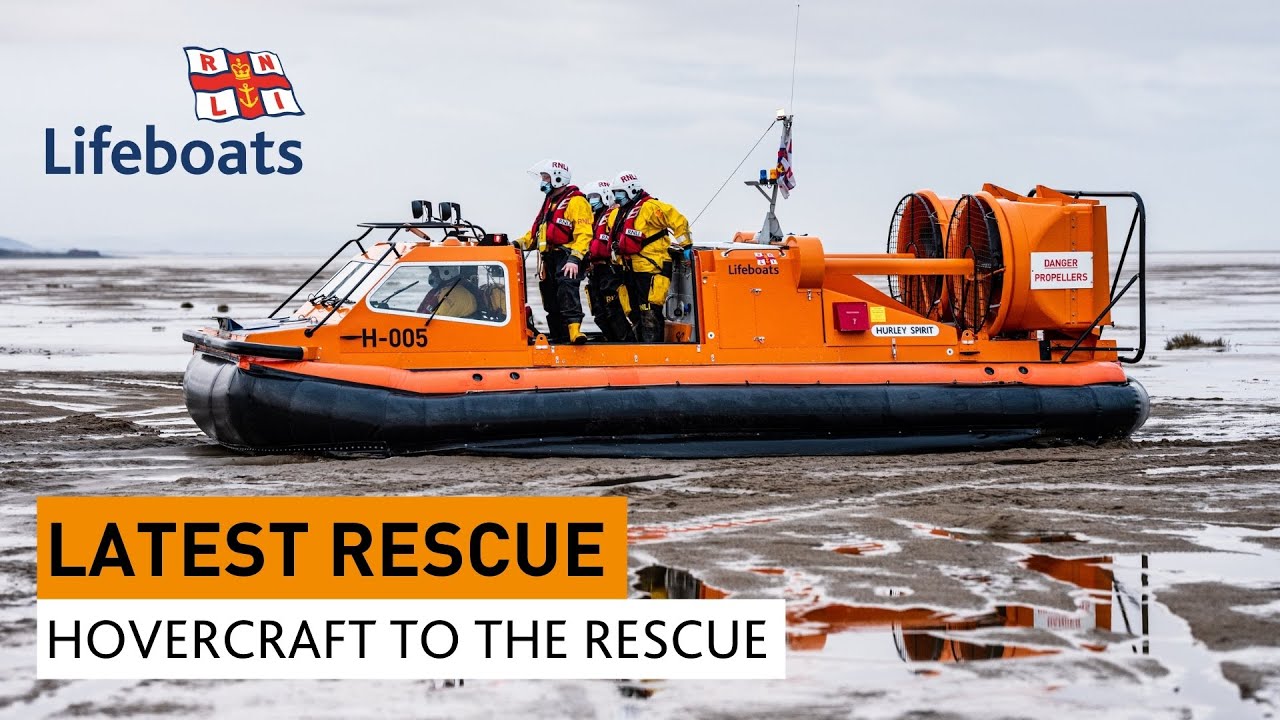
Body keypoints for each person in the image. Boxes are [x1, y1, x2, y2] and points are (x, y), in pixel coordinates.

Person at [606, 170, 691, 343]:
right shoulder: (616, 214)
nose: (617, 197)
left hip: (652, 267)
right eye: (615, 193)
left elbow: (678, 221)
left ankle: (653, 349)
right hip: (629, 268)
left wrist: (686, 245)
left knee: (650, 310)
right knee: (633, 311)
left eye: (620, 192)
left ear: (632, 189)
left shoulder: (652, 208)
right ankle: (641, 347)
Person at [517, 159, 592, 344]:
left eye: (545, 177)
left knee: (567, 289)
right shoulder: (550, 203)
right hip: (549, 257)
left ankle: (575, 331)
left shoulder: (576, 202)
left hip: (567, 256)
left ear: (557, 178)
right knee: (550, 297)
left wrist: (575, 259)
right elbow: (536, 233)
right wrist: (517, 243)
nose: (542, 181)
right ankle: (559, 336)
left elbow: (585, 234)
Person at [584, 179, 634, 342]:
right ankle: (612, 340)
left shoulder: (613, 215)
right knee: (599, 313)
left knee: (614, 310)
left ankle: (625, 342)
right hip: (596, 271)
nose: (591, 200)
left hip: (610, 270)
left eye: (594, 196)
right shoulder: (593, 219)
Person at [415, 265, 480, 319]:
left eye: (436, 272)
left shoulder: (451, 292)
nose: (433, 275)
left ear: (447, 272)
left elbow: (433, 318)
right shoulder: (446, 289)